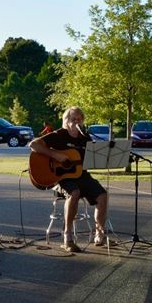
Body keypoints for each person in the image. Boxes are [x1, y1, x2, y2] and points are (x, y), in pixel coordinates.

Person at [29, 106, 109, 253]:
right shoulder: (58, 135)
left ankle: (99, 233)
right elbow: (33, 145)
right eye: (73, 119)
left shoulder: (85, 138)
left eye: (79, 120)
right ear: (66, 121)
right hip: (61, 178)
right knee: (75, 192)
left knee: (102, 195)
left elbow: (89, 160)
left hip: (82, 175)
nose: (77, 122)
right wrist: (55, 155)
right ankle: (67, 236)